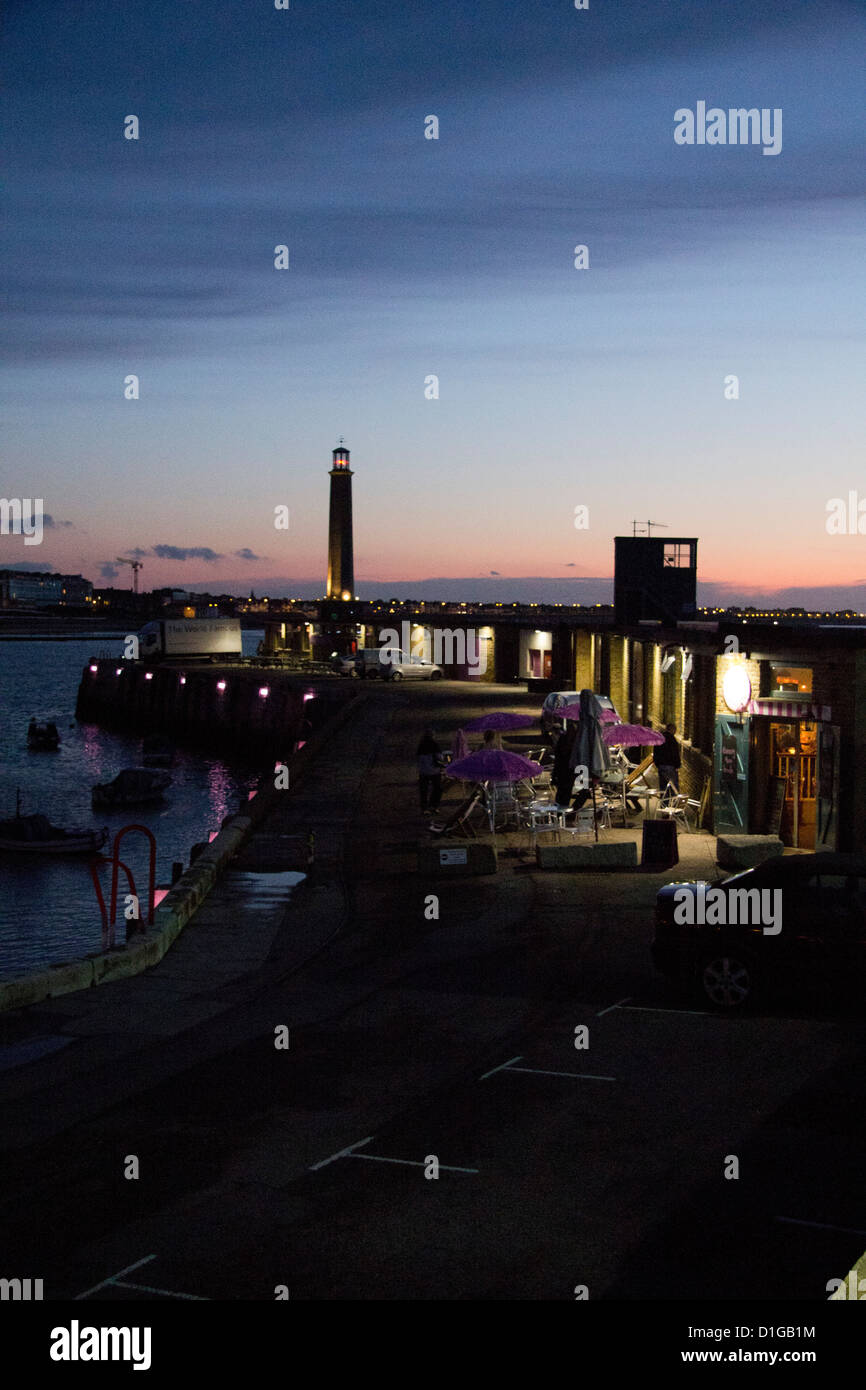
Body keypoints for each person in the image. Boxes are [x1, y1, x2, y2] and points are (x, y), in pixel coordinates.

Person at [416, 728, 446, 813]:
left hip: (423, 771)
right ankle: (434, 805)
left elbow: (418, 759)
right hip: (434, 770)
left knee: (424, 790)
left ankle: (424, 808)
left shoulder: (421, 745)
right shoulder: (434, 745)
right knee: (437, 788)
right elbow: (439, 757)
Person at [654, 723, 681, 792]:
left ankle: (664, 802)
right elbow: (675, 753)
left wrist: (657, 764)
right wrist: (678, 765)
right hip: (670, 767)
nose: (675, 732)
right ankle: (673, 802)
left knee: (663, 788)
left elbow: (655, 752)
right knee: (673, 789)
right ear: (672, 730)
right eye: (675, 730)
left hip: (661, 766)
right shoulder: (672, 739)